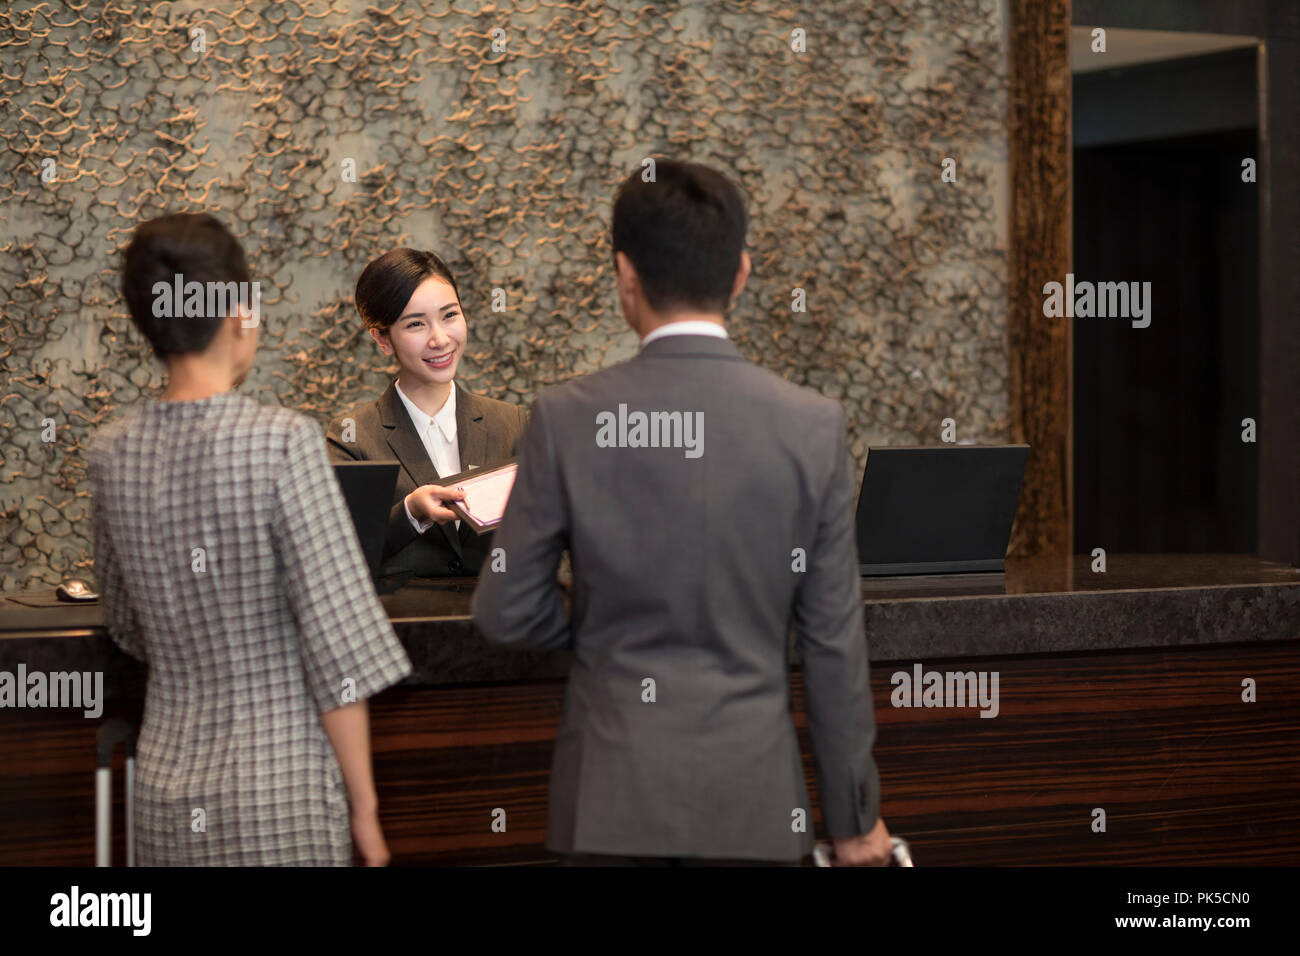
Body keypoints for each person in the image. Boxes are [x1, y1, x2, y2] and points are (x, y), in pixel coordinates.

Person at [473, 159, 892, 866]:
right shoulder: (811, 426)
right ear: (741, 274)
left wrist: (597, 620)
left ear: (624, 275)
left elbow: (504, 610)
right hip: (757, 806)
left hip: (608, 803)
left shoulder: (566, 418)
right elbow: (833, 645)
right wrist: (853, 821)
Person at [90, 212, 411, 866]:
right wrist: (368, 814)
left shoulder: (110, 454)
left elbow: (126, 626)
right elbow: (338, 650)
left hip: (163, 794)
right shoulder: (283, 441)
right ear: (239, 312)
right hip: (281, 794)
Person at [327, 249, 527, 583]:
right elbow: (339, 554)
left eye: (450, 315)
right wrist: (411, 512)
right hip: (403, 629)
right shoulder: (352, 436)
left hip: (503, 625)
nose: (440, 339)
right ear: (382, 338)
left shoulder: (512, 423)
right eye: (416, 324)